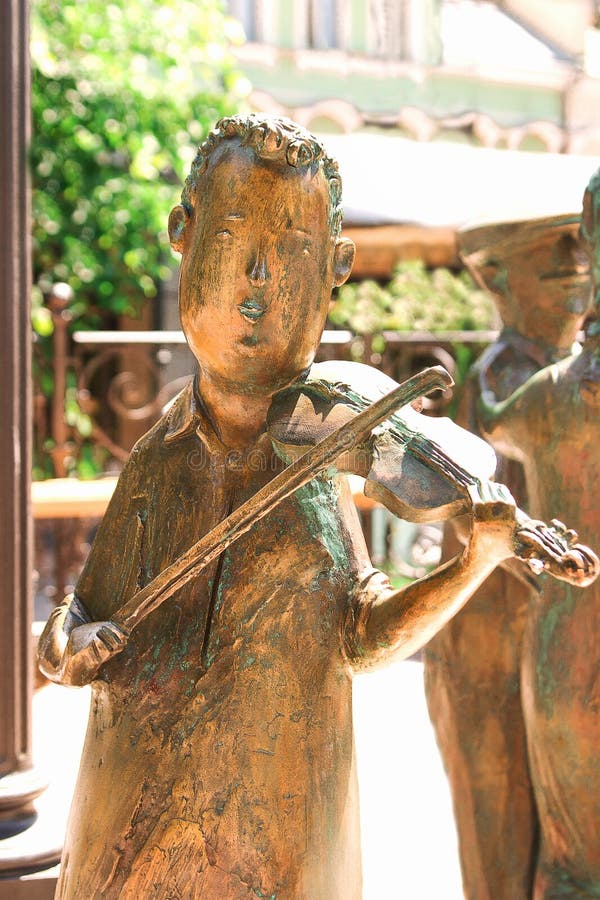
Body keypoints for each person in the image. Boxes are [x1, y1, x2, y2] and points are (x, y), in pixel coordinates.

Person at [38, 115, 526, 899]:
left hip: (281, 831)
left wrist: (477, 563)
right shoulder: (158, 459)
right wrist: (66, 644)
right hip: (132, 824)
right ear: (183, 236)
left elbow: (361, 638)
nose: (256, 280)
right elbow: (83, 611)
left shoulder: (322, 456)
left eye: (293, 250)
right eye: (232, 239)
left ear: (336, 268)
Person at [424, 213, 592, 900]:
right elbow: (473, 517)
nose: (574, 260)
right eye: (551, 256)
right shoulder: (498, 385)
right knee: (498, 833)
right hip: (485, 649)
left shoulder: (565, 379)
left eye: (580, 249)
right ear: (494, 277)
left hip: (547, 640)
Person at [477, 168, 600, 898]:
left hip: (569, 644)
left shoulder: (549, 396)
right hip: (567, 642)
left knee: (574, 858)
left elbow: (494, 418)